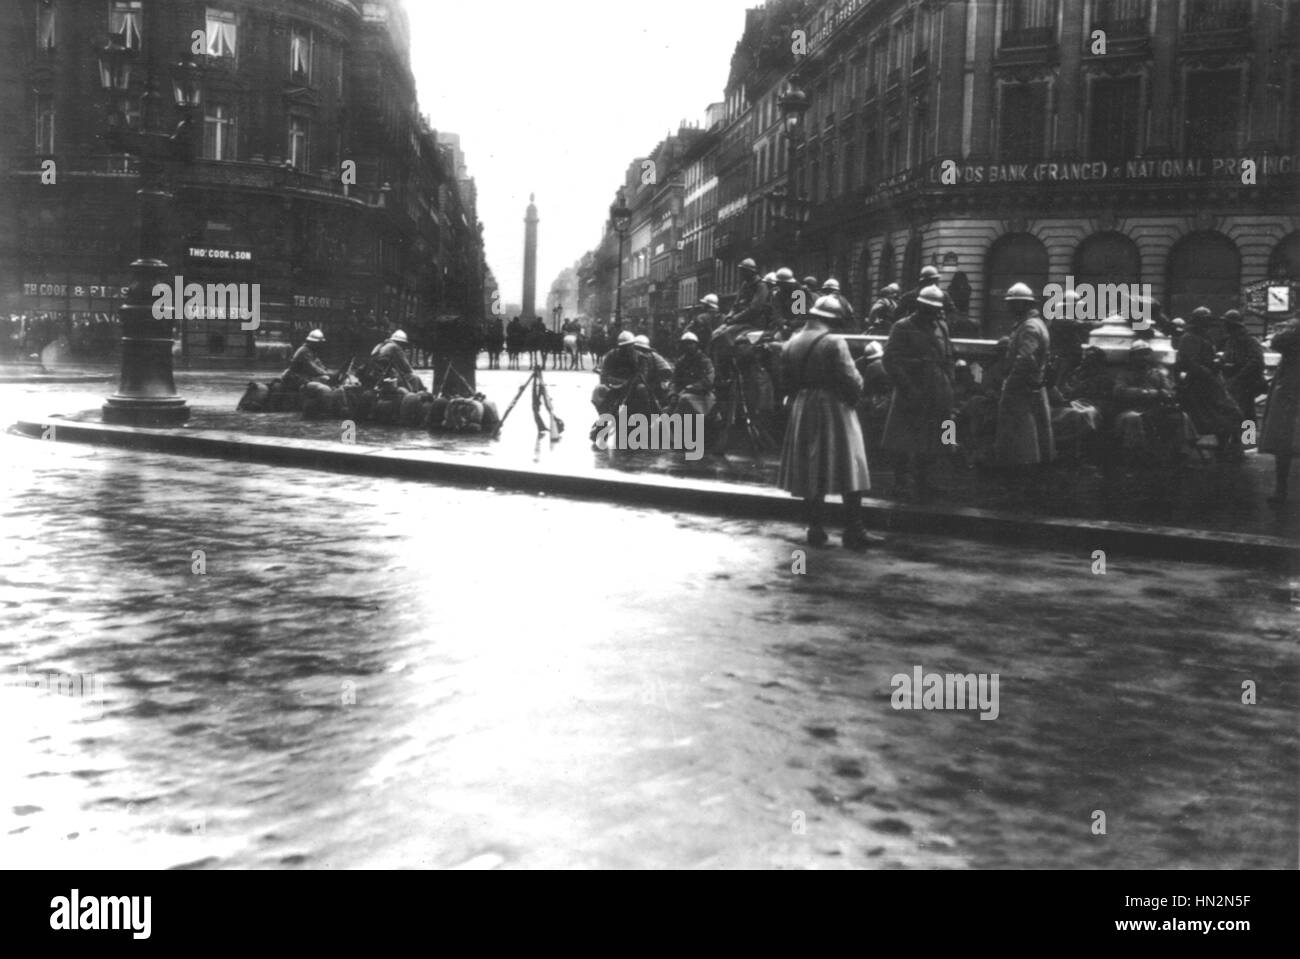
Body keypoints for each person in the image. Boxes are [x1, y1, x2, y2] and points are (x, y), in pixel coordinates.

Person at [777, 296, 877, 550]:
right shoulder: (833, 341)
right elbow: (851, 379)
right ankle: (854, 529)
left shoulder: (792, 342)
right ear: (832, 319)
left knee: (812, 469)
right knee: (850, 464)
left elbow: (785, 379)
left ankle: (815, 528)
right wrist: (856, 395)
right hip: (833, 406)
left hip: (803, 405)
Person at [881, 286, 956, 501]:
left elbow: (948, 354)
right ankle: (901, 483)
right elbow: (890, 360)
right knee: (903, 438)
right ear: (919, 306)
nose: (934, 313)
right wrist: (908, 387)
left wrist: (950, 382)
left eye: (936, 309)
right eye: (929, 308)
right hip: (911, 388)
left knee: (934, 437)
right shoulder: (902, 327)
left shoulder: (942, 326)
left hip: (938, 389)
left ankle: (925, 481)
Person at [995, 282, 1055, 473]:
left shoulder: (1029, 327)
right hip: (1031, 388)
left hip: (1022, 390)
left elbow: (1025, 359)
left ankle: (1021, 482)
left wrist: (1010, 384)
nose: (1008, 308)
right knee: (1031, 438)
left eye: (1012, 304)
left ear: (1023, 304)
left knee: (1023, 441)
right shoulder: (1032, 324)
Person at [1176, 306, 1243, 462]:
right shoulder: (1191, 337)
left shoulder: (1243, 340)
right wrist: (1214, 368)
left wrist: (1223, 366)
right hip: (1205, 384)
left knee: (1238, 414)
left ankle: (1246, 445)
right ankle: (1233, 447)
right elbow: (1190, 363)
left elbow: (1254, 361)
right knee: (1210, 418)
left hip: (1228, 382)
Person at [1112, 339, 1194, 463]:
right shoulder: (1125, 374)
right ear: (1132, 357)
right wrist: (1148, 393)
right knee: (1132, 418)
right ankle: (1134, 457)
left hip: (1155, 409)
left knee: (1181, 416)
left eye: (1146, 353)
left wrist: (1166, 394)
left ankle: (1182, 454)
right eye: (1140, 354)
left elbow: (1171, 391)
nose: (1144, 357)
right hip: (1132, 409)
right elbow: (1119, 391)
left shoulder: (1157, 373)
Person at [1260, 315, 1300, 505]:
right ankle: (1243, 445)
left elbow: (1276, 341)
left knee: (1246, 418)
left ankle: (1244, 445)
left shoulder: (1292, 333)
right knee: (1246, 416)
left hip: (1286, 392)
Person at [1220, 311, 1267, 432]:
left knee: (1244, 413)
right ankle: (1244, 441)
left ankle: (1245, 441)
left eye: (1226, 324)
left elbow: (1256, 361)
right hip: (1235, 381)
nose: (1224, 327)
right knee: (1244, 412)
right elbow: (1227, 358)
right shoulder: (1231, 340)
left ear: (1232, 325)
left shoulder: (1248, 341)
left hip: (1245, 382)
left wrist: (1239, 376)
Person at [669, 332, 715, 417]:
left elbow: (708, 381)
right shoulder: (681, 362)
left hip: (701, 395)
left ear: (696, 345)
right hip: (682, 394)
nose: (687, 346)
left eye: (690, 343)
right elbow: (674, 380)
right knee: (668, 407)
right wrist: (672, 394)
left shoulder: (704, 361)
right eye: (685, 344)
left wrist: (689, 388)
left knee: (684, 400)